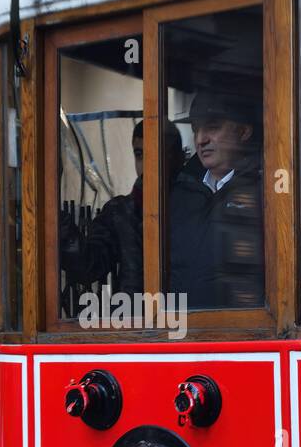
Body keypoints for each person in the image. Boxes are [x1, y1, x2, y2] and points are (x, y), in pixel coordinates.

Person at [61, 119, 186, 296]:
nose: (147, 163)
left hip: (187, 317)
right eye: (140, 154)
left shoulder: (194, 207)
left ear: (177, 158)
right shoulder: (120, 213)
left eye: (158, 153)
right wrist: (60, 226)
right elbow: (89, 266)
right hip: (133, 319)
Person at [168, 89, 264, 309]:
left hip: (243, 335)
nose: (201, 140)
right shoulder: (180, 194)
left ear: (243, 131)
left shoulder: (266, 193)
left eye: (212, 127)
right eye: (195, 129)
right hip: (180, 333)